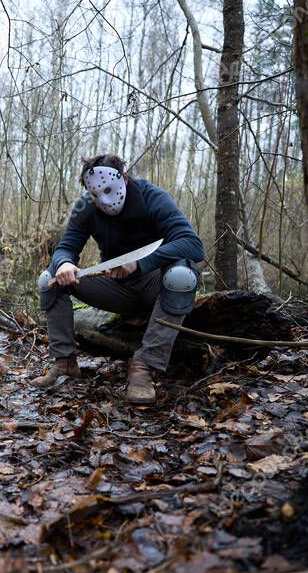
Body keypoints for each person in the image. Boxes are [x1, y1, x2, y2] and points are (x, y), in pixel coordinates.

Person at [32, 154, 205, 404]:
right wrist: (66, 263)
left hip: (156, 284)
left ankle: (144, 368)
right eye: (95, 194)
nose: (103, 200)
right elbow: (65, 247)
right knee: (49, 278)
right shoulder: (85, 206)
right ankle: (64, 362)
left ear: (124, 178)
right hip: (117, 288)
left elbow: (193, 245)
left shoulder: (152, 197)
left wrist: (140, 263)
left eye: (108, 190)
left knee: (181, 276)